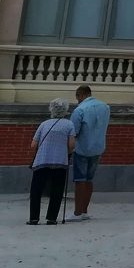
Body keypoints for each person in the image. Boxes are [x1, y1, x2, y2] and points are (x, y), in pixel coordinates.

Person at [28, 98, 75, 225]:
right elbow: (71, 145)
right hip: (60, 161)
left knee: (36, 190)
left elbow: (33, 145)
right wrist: (66, 153)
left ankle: (34, 218)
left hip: (42, 161)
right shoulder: (69, 125)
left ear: (51, 109)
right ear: (65, 110)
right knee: (57, 190)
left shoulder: (44, 124)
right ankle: (52, 218)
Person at [69, 84, 111, 221]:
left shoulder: (80, 110)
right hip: (98, 147)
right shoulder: (105, 107)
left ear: (80, 95)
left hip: (82, 148)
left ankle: (77, 212)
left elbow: (73, 131)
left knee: (80, 180)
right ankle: (85, 211)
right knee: (89, 179)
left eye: (77, 97)